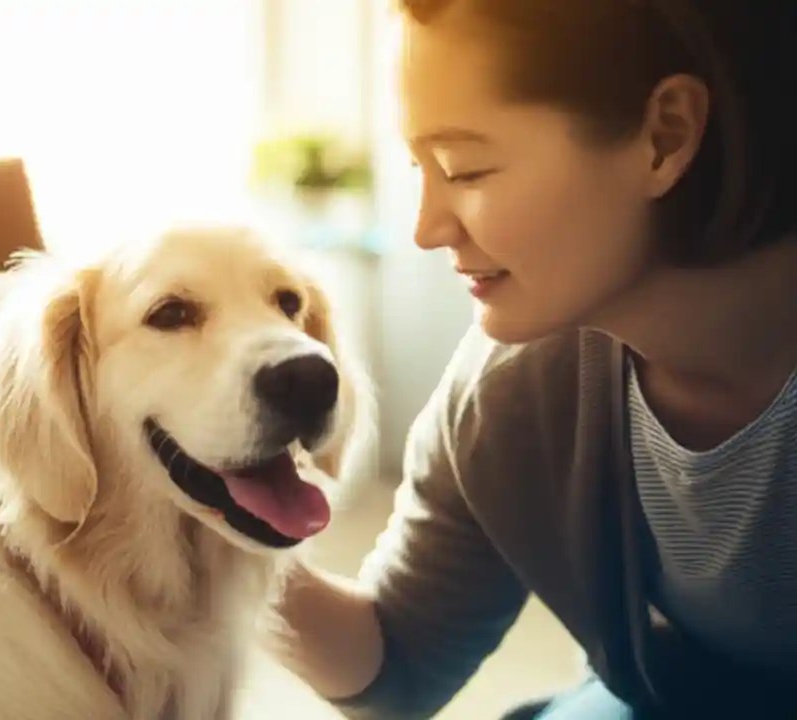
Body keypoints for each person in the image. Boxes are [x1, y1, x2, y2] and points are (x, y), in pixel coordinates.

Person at [263, 1, 797, 717]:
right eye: (419, 167)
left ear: (664, 137)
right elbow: (399, 664)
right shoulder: (512, 388)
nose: (426, 229)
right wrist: (220, 539)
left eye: (466, 169)